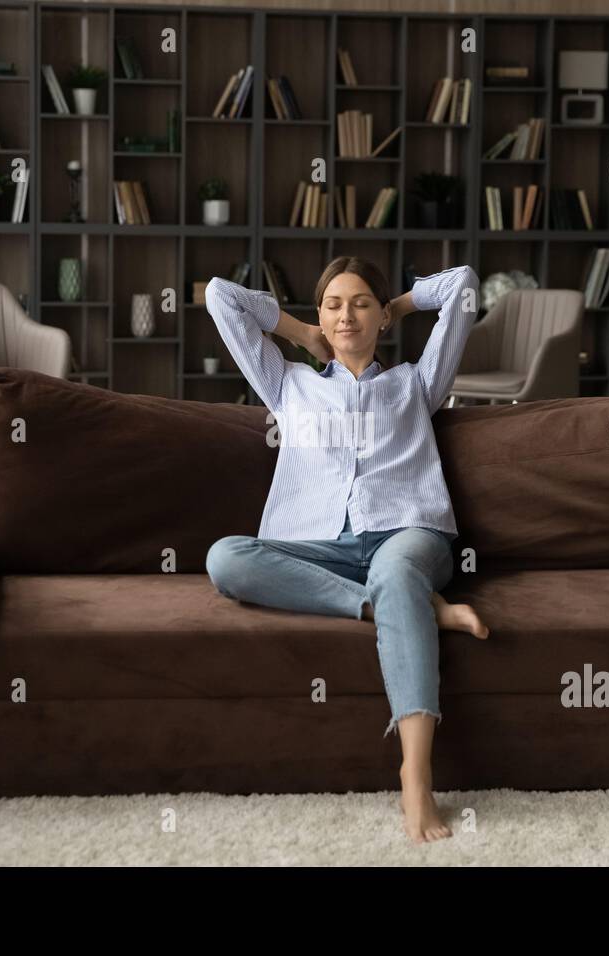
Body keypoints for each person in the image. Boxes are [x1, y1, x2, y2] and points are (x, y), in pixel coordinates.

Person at [203, 256, 489, 844]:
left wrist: (401, 304)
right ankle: (398, 603)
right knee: (225, 558)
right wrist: (297, 330)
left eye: (361, 303)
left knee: (398, 569)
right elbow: (219, 297)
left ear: (380, 316)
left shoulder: (417, 382)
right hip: (314, 545)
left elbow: (463, 286)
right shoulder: (288, 383)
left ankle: (415, 771)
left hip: (407, 533)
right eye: (333, 304)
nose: (346, 315)